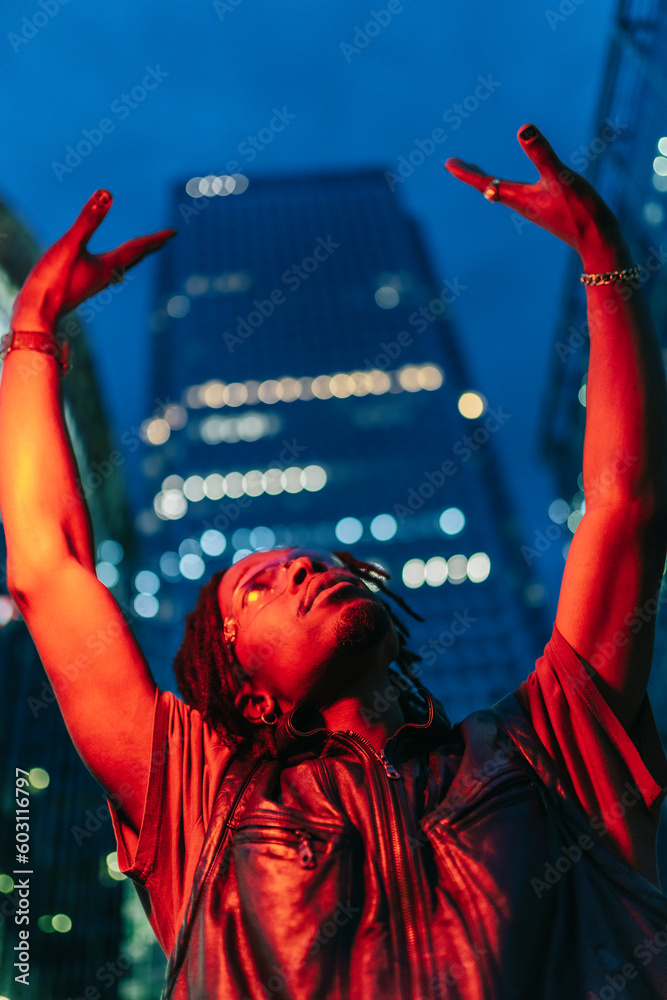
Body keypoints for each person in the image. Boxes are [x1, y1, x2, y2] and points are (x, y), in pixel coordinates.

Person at [1, 124, 667, 1000]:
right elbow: (49, 567)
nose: (310, 570)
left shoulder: (543, 746)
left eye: (318, 563)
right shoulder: (198, 798)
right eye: (261, 584)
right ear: (239, 683)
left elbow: (624, 504)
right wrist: (33, 332)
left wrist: (607, 265)